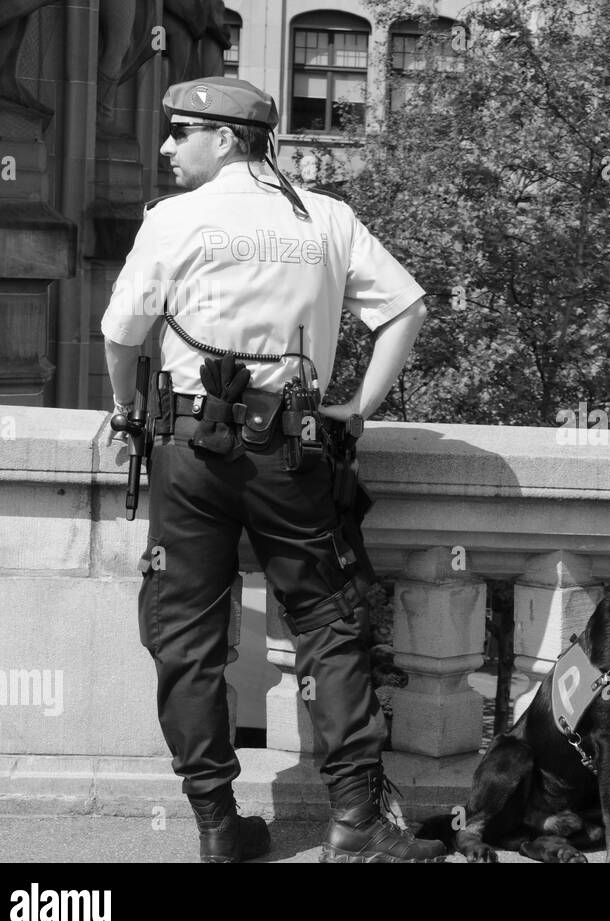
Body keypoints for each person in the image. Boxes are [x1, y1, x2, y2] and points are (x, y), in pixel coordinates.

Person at [102, 76, 445, 863]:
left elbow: (122, 335)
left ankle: (219, 828)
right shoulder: (325, 217)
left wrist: (126, 412)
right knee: (330, 623)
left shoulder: (172, 220)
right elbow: (406, 309)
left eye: (179, 130)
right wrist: (356, 404)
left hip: (190, 451)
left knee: (184, 634)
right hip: (293, 454)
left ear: (224, 138)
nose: (166, 146)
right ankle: (355, 823)